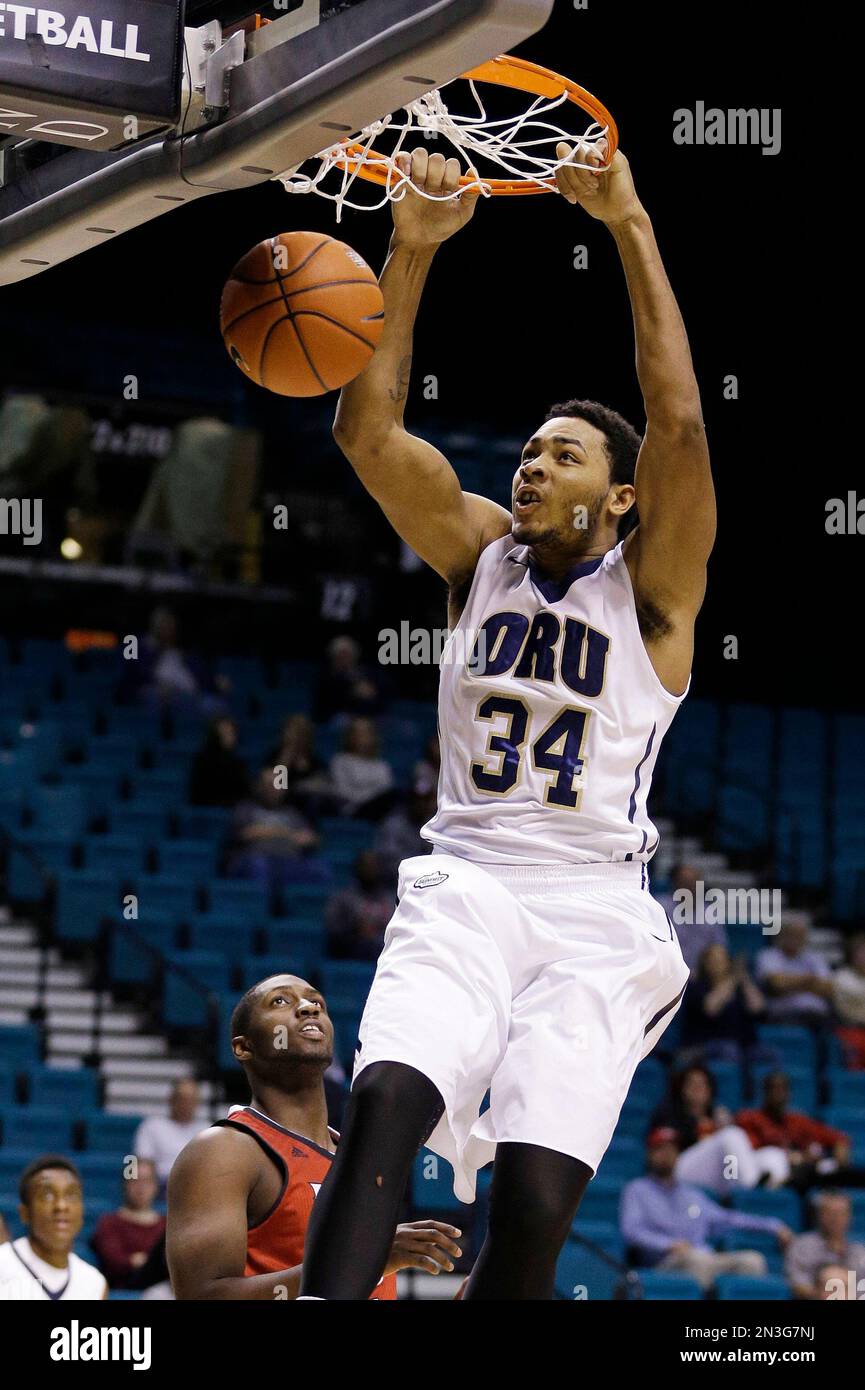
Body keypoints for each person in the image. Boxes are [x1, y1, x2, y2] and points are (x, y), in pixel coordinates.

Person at [298, 139, 715, 1301]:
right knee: (385, 1096)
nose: (530, 467)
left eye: (562, 455)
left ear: (620, 497)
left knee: (531, 1212)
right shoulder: (478, 554)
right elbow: (367, 439)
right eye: (527, 451)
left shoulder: (656, 594)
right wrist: (412, 249)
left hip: (591, 911)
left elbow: (677, 424)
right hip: (468, 879)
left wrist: (627, 223)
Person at [166, 974, 462, 1299]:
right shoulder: (226, 1150)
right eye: (280, 1001)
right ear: (243, 1046)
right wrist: (364, 1263)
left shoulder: (358, 1158)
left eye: (316, 1002)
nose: (308, 1008)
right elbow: (203, 1296)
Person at [620, 1129, 791, 1291]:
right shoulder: (637, 1189)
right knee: (696, 1261)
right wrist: (668, 1245)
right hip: (663, 1263)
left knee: (752, 1261)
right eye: (660, 1149)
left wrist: (774, 1226)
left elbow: (729, 1219)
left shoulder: (691, 1194)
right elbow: (632, 1231)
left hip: (704, 1257)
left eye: (671, 1149)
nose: (666, 1154)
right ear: (650, 1154)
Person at [650, 1063, 787, 1192]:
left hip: (722, 1173)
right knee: (731, 1136)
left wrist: (721, 1125)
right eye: (692, 1084)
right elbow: (663, 1148)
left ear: (710, 1089)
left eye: (703, 1084)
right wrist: (697, 1130)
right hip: (682, 1168)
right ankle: (747, 1192)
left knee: (773, 1155)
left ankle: (769, 1192)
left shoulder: (717, 1114)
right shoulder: (670, 1114)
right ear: (682, 1089)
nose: (698, 1089)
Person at [736, 1072, 865, 1192]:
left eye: (783, 1089)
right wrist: (792, 1156)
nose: (779, 1094)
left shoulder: (798, 1121)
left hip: (804, 1172)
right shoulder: (750, 1118)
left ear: (789, 1093)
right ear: (764, 1092)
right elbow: (749, 1152)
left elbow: (838, 1137)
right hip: (767, 1169)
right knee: (774, 1157)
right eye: (774, 1089)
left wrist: (840, 1147)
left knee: (843, 1172)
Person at [0, 1156, 107, 1300]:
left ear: (82, 1212)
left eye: (71, 1195)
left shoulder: (94, 1282)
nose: (61, 1206)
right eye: (47, 1195)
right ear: (24, 1213)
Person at [229, 768, 328, 888]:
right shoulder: (246, 809)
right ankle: (263, 905)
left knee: (320, 868)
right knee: (258, 865)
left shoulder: (292, 813)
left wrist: (311, 839)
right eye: (270, 785)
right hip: (256, 858)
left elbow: (311, 838)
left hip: (289, 861)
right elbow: (246, 833)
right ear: (259, 787)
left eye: (278, 785)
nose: (274, 790)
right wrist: (287, 833)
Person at [679, 943, 767, 1064]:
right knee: (729, 1050)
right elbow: (710, 1008)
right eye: (713, 960)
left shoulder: (740, 986)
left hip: (743, 1045)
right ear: (704, 963)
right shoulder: (696, 986)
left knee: (770, 1055)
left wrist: (744, 978)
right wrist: (734, 977)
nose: (717, 964)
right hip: (703, 1045)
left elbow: (758, 1007)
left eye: (721, 960)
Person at [90, 1159, 166, 1290]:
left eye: (147, 1181)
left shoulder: (166, 1224)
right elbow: (114, 1262)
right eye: (135, 1180)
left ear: (155, 1185)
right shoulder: (109, 1223)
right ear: (125, 1184)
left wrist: (138, 1260)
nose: (141, 1187)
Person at [785, 1191, 865, 1300]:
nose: (835, 1218)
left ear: (849, 1217)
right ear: (819, 1216)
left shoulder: (859, 1251)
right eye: (830, 1213)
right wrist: (828, 1292)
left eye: (841, 1213)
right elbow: (797, 1284)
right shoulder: (802, 1246)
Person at [755, 915, 832, 1026]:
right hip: (784, 1015)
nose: (795, 938)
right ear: (781, 935)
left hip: (818, 1016)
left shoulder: (815, 958)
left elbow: (828, 988)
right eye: (791, 934)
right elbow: (777, 984)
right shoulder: (768, 956)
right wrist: (810, 981)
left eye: (800, 935)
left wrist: (791, 983)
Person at [657, 864, 729, 974]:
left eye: (695, 882)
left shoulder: (710, 913)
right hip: (666, 973)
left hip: (701, 977)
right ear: (676, 883)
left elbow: (720, 947)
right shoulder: (660, 907)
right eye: (685, 882)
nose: (691, 886)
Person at [134, 1078, 205, 1188]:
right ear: (171, 1099)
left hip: (196, 1187)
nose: (186, 1104)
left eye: (191, 1100)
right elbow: (143, 1161)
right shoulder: (153, 1126)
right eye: (182, 1099)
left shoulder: (207, 1130)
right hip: (161, 1185)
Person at [324, 850, 394, 961]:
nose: (370, 870)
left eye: (373, 866)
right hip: (350, 953)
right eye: (366, 866)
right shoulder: (343, 899)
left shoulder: (389, 899)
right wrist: (355, 929)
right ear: (358, 868)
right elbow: (333, 929)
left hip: (383, 954)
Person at [328, 717, 395, 819]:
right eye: (358, 733)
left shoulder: (381, 765)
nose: (362, 737)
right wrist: (371, 797)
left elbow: (386, 789)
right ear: (350, 736)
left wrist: (372, 797)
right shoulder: (340, 761)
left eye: (366, 733)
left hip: (378, 809)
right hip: (351, 809)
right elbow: (342, 791)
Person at [373, 776, 436, 881]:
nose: (421, 805)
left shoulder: (434, 827)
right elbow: (389, 862)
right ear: (410, 800)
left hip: (426, 882)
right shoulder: (393, 825)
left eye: (426, 801)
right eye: (418, 800)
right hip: (394, 884)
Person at [314, 635, 384, 723]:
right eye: (341, 654)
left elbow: (380, 697)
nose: (345, 658)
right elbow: (324, 704)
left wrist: (371, 693)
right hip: (336, 716)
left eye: (348, 654)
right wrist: (351, 691)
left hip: (367, 715)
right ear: (333, 656)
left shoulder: (367, 674)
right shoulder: (326, 677)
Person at [189, 716, 250, 808]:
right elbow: (198, 792)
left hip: (233, 811)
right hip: (206, 809)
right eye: (224, 733)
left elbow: (243, 791)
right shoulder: (202, 761)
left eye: (231, 733)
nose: (229, 737)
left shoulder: (238, 763)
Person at [833, 933, 865, 1069]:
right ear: (852, 955)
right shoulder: (842, 977)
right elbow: (845, 1010)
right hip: (850, 1030)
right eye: (862, 952)